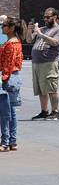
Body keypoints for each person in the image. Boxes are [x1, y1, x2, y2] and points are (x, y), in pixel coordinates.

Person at [30, 9, 59, 121]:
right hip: (37, 62)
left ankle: (55, 111)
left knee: (51, 87)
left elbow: (55, 42)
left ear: (55, 17)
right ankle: (44, 111)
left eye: (48, 17)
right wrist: (30, 30)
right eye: (44, 17)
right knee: (41, 89)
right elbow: (29, 39)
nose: (45, 19)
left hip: (49, 62)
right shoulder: (43, 29)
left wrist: (41, 35)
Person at [1, 17, 24, 151]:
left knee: (5, 113)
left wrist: (3, 78)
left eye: (4, 25)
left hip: (8, 77)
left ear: (11, 28)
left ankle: (5, 142)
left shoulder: (10, 44)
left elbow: (8, 65)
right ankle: (12, 141)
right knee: (11, 112)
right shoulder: (16, 42)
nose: (2, 27)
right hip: (14, 77)